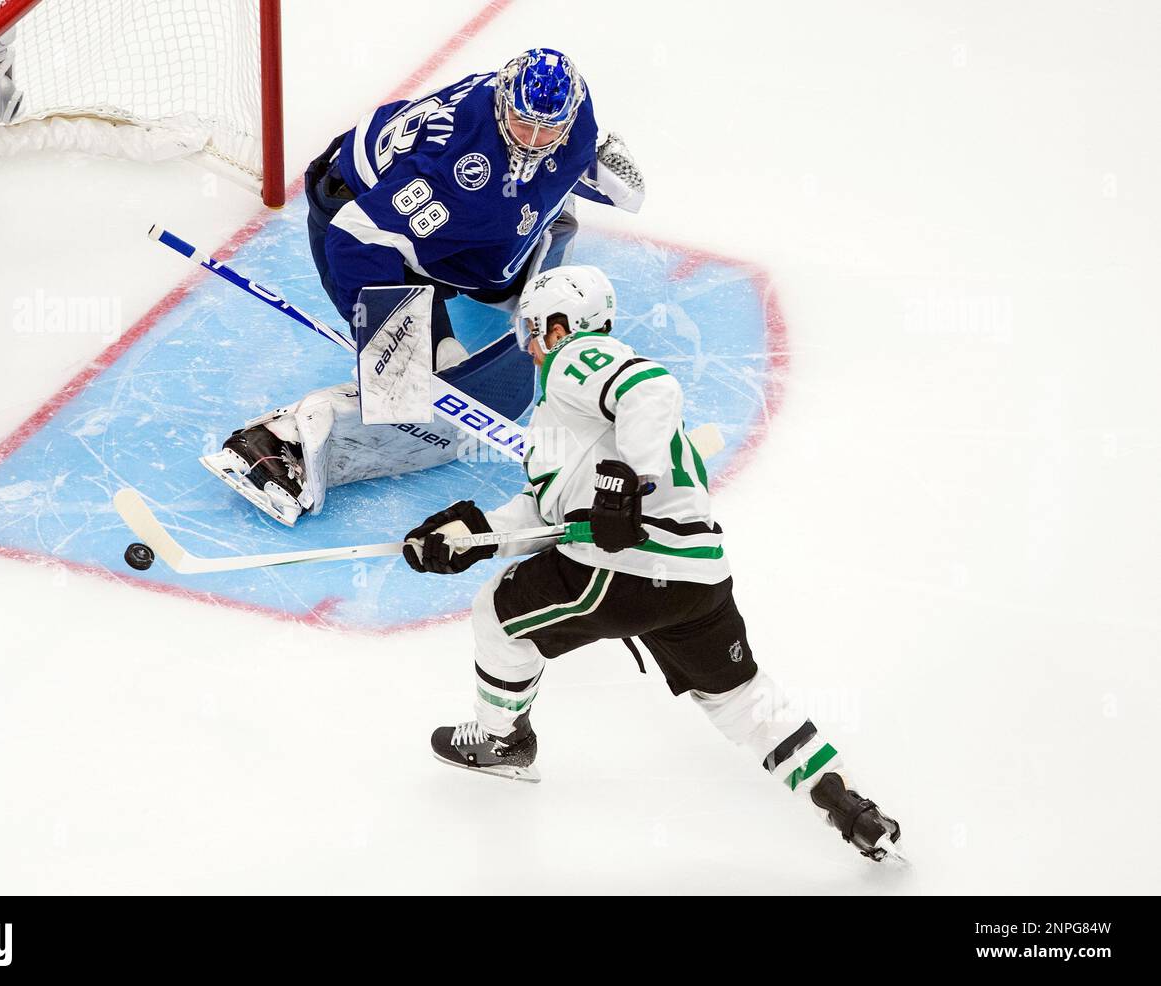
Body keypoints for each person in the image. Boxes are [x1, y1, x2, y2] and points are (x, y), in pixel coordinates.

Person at [402, 265, 904, 862]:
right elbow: (548, 511)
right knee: (737, 696)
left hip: (627, 566)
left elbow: (651, 387)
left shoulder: (576, 358)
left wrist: (628, 486)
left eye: (534, 332)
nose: (530, 349)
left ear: (560, 325)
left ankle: (501, 738)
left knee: (500, 613)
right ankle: (843, 801)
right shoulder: (571, 422)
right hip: (697, 580)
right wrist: (473, 537)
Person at [202, 49, 645, 527]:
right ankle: (274, 446)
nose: (534, 142)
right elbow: (357, 238)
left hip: (439, 210)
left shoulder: (569, 121)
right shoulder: (454, 162)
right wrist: (391, 349)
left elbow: (568, 155)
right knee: (413, 372)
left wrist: (597, 167)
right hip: (357, 208)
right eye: (522, 125)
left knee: (521, 235)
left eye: (548, 131)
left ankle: (459, 305)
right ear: (502, 107)